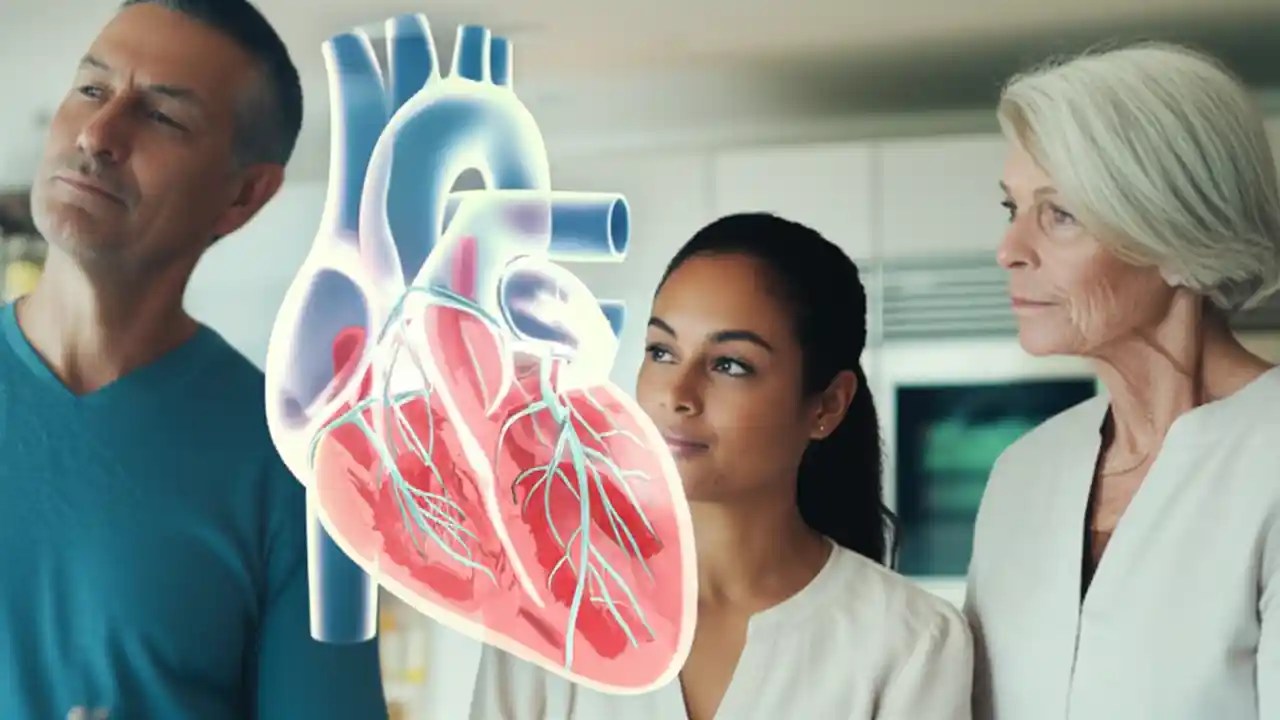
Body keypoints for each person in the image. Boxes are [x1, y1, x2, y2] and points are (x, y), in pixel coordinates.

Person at [0, 1, 388, 718]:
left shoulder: (301, 474)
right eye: (92, 88)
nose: (98, 132)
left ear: (243, 195)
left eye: (161, 117)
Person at [467, 213, 974, 719]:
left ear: (826, 406)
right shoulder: (546, 613)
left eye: (730, 364)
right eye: (662, 352)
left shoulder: (912, 643)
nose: (678, 395)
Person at [964, 41, 1280, 720]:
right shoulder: (1024, 474)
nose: (1009, 250)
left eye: (1060, 214)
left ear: (1177, 237)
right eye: (1010, 208)